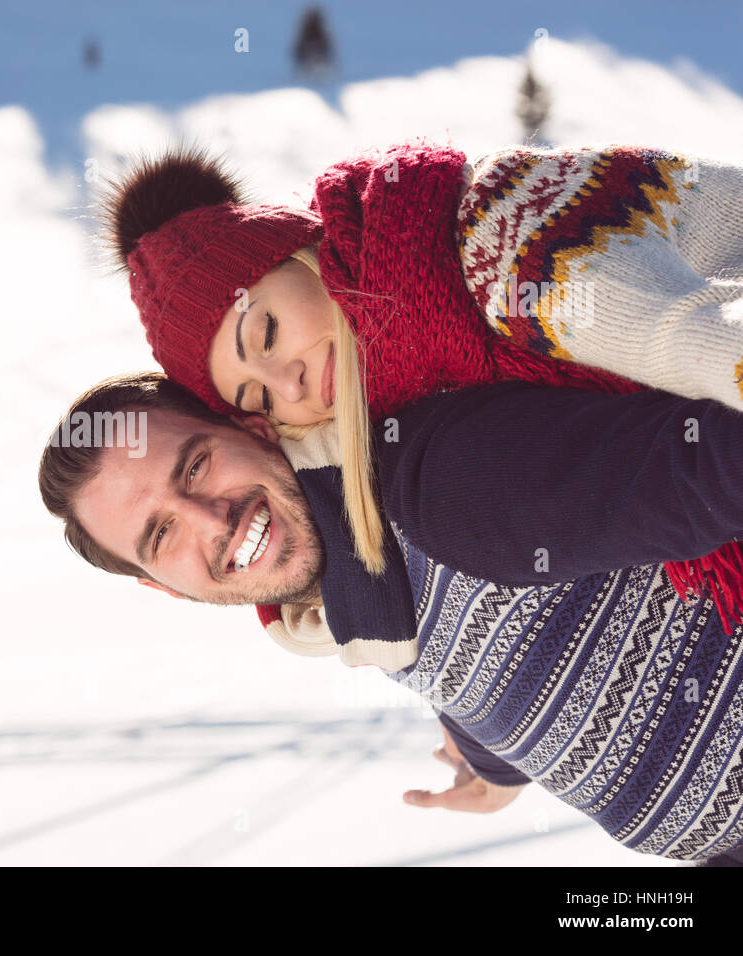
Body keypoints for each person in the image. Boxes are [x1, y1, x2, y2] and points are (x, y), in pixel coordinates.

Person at [37, 371, 743, 863]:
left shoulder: (435, 489)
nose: (210, 520)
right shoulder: (348, 604)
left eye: (194, 467)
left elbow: (718, 462)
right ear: (166, 588)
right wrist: (494, 764)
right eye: (161, 535)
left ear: (253, 427)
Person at [103, 141, 743, 648]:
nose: (289, 385)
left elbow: (691, 339)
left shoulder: (500, 239)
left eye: (264, 332)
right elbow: (307, 496)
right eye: (259, 400)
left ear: (302, 250)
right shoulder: (405, 363)